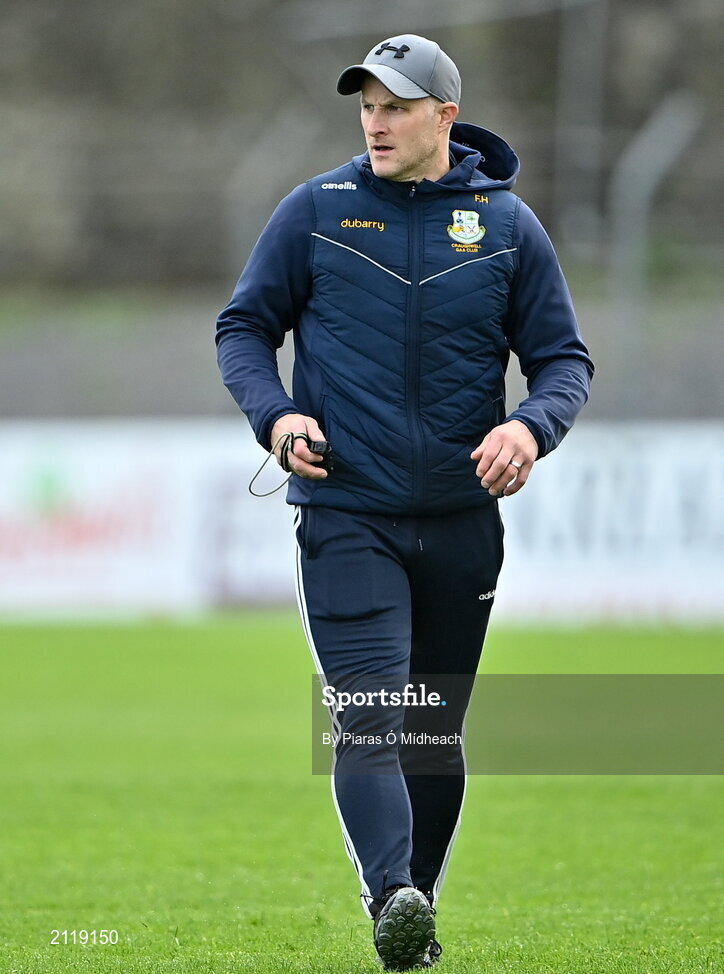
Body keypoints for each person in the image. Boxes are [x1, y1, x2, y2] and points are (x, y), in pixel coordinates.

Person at [216, 33, 593, 970]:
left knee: (431, 731)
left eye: (394, 105)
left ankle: (413, 908)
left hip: (463, 524)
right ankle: (390, 894)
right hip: (346, 511)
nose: (375, 123)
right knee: (373, 716)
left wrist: (529, 429)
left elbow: (564, 362)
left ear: (443, 116)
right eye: (367, 106)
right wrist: (277, 418)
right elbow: (243, 329)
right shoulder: (317, 211)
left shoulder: (508, 228)